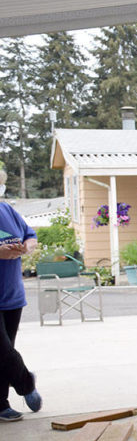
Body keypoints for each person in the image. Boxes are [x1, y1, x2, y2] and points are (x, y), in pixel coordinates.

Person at [0, 168, 43, 422]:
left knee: (6, 353)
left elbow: (30, 235)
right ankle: (26, 383)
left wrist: (28, 246)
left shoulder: (7, 210)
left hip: (11, 295)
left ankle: (1, 404)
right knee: (2, 351)